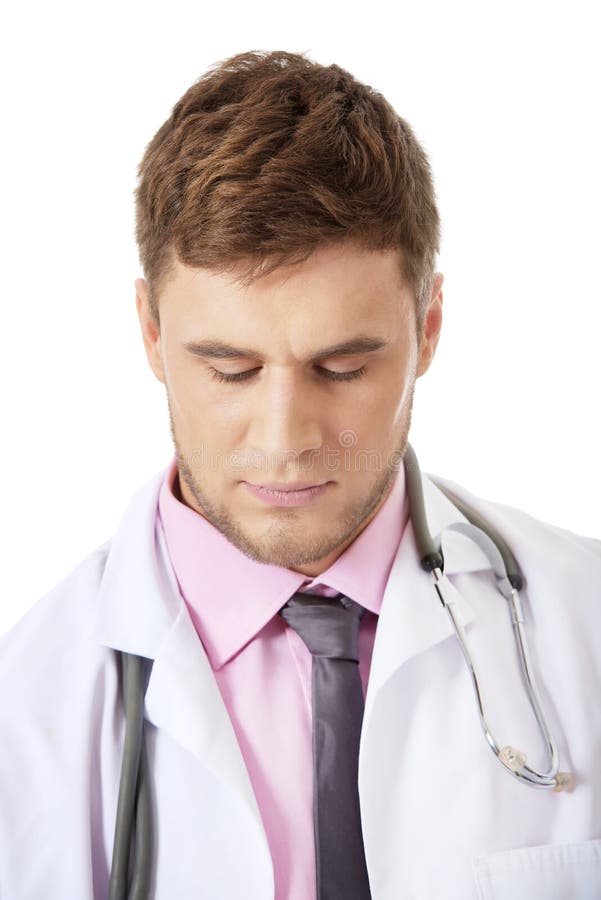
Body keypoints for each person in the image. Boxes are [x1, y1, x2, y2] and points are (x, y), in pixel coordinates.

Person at [1, 48, 600, 900]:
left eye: (343, 367)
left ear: (428, 327)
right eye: (230, 369)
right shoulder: (24, 714)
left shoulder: (587, 625)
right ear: (149, 331)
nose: (286, 440)